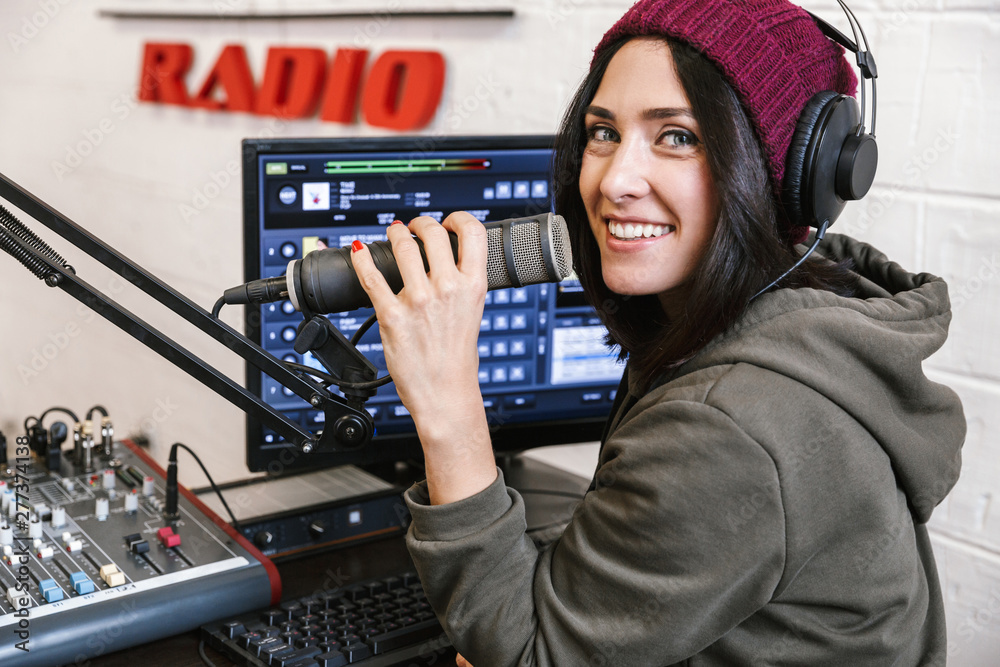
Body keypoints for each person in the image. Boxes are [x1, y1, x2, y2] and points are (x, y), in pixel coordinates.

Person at [350, 0, 966, 664]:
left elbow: (528, 655)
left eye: (678, 136)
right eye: (602, 132)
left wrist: (446, 401)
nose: (615, 179)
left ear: (788, 175)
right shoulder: (787, 322)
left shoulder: (731, 425)